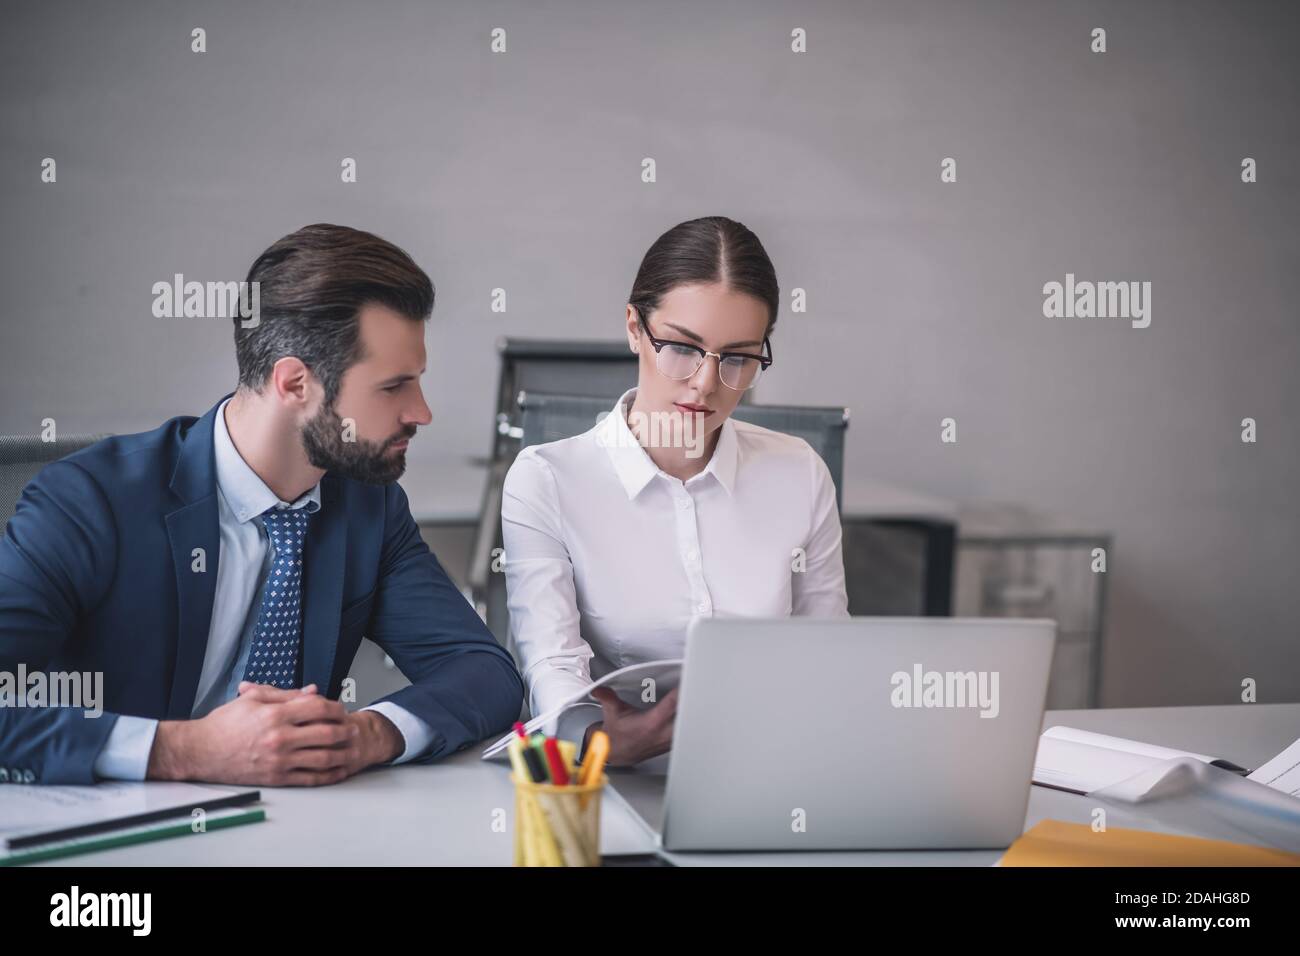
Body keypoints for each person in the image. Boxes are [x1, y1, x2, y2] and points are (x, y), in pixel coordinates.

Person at [0, 223, 523, 786]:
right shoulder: (89, 502)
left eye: (417, 382)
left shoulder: (371, 509)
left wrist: (367, 733)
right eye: (393, 386)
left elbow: (485, 673)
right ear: (295, 383)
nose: (421, 412)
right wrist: (182, 750)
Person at [501, 216, 848, 767]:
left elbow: (828, 655)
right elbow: (551, 663)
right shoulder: (545, 479)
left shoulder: (799, 472)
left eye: (738, 358)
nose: (707, 383)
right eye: (682, 348)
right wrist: (601, 743)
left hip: (773, 769)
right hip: (612, 776)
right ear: (635, 328)